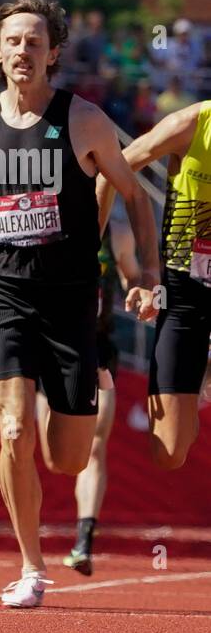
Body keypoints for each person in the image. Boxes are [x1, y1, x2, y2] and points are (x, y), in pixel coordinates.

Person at [0, 0, 160, 608]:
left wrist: (148, 273)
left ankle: (60, 398)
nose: (23, 50)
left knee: (68, 459)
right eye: (13, 41)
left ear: (53, 53)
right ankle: (31, 566)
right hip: (3, 289)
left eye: (35, 42)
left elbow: (135, 195)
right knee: (11, 428)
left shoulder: (83, 120)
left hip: (70, 297)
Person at [96, 97, 211, 471]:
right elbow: (111, 170)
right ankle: (201, 371)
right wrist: (91, 252)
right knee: (169, 452)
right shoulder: (191, 124)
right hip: (187, 294)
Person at [41, 210, 140, 575]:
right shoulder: (50, 222)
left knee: (95, 446)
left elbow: (133, 274)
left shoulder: (118, 233)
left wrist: (140, 289)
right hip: (51, 346)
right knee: (56, 459)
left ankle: (84, 542)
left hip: (98, 348)